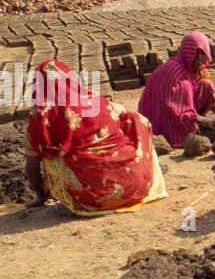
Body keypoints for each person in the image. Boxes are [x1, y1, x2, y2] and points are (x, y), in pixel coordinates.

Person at [23, 59, 167, 216]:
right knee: (135, 118)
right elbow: (121, 112)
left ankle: (69, 198)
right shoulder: (97, 100)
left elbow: (32, 169)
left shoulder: (41, 120)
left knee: (47, 149)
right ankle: (142, 172)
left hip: (93, 199)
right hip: (138, 187)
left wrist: (42, 195)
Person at [136, 30, 215, 148]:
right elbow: (176, 112)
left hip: (162, 111)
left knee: (205, 84)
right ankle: (177, 134)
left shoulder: (189, 68)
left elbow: (209, 89)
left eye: (204, 53)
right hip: (159, 119)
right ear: (188, 52)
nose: (201, 58)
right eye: (198, 54)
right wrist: (202, 121)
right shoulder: (180, 76)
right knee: (195, 128)